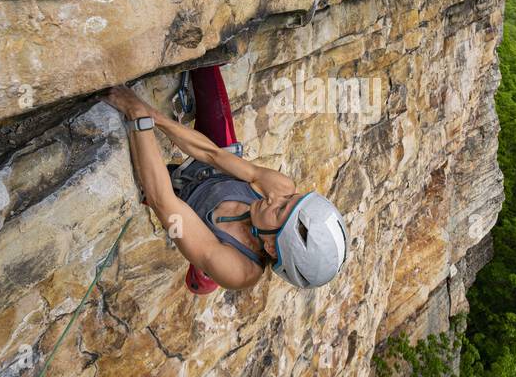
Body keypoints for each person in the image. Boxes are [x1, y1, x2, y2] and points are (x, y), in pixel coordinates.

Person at [106, 67, 349, 294]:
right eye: (290, 199)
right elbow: (213, 154)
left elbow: (163, 201)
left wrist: (137, 115)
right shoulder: (280, 188)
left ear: (272, 248)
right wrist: (155, 117)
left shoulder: (240, 271)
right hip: (212, 172)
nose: (275, 197)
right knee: (208, 76)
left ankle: (205, 272)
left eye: (280, 208)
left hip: (176, 197)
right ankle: (205, 265)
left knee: (203, 254)